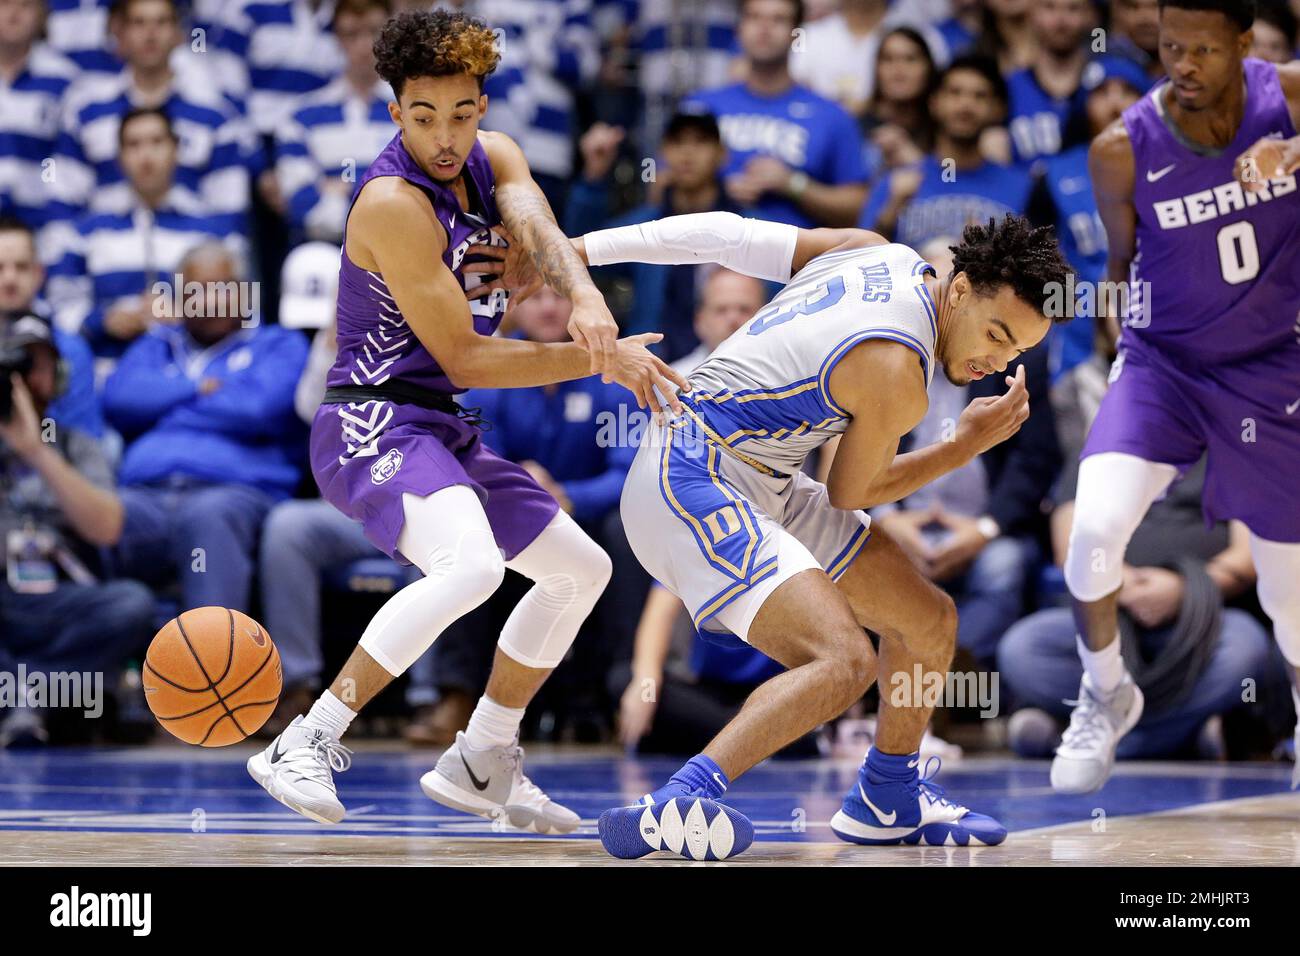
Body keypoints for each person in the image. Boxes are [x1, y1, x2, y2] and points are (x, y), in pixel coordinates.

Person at [246, 9, 686, 834]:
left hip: (438, 426)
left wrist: (587, 303)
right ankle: (307, 738)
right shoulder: (389, 203)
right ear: (394, 113)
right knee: (472, 568)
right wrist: (604, 357)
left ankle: (485, 754)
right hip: (368, 422)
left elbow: (543, 235)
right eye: (422, 117)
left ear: (482, 106)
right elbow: (468, 361)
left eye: (460, 114)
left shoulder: (498, 159)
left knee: (578, 569)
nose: (444, 137)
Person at [573, 208, 1074, 859]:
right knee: (843, 661)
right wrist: (965, 445)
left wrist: (583, 246)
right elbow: (854, 492)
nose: (996, 361)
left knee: (927, 621)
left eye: (1017, 352)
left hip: (761, 471)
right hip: (690, 477)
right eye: (995, 333)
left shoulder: (876, 251)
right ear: (957, 290)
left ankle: (887, 795)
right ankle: (675, 802)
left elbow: (729, 235)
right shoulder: (896, 365)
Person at [1053, 0, 1300, 794]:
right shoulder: (1120, 149)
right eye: (1168, 49)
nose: (1183, 65)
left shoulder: (1289, 102)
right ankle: (1105, 689)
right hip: (1165, 364)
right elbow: (1121, 263)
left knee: (1287, 589)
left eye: (1201, 49)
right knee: (1091, 529)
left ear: (1244, 43)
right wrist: (1124, 333)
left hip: (1272, 369)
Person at [1000, 322, 1277, 761]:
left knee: (1246, 649)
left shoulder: (1234, 442)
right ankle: (1180, 733)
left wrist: (1184, 588)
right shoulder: (1107, 437)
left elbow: (1248, 554)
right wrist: (1119, 583)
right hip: (1108, 613)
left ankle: (1082, 739)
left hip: (1196, 622)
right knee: (1023, 648)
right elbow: (1069, 536)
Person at [103, 242, 309, 612]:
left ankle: (215, 665)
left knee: (208, 516)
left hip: (231, 491)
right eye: (196, 291)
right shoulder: (156, 344)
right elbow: (119, 399)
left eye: (222, 287)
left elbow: (259, 409)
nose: (211, 301)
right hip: (143, 494)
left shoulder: (277, 343)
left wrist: (162, 407)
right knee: (98, 514)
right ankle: (104, 664)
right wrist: (195, 388)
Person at [0, 314, 154, 747]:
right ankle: (44, 692)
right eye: (17, 365)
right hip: (4, 601)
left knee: (132, 604)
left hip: (62, 602)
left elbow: (107, 528)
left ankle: (21, 689)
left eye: (39, 366)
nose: (28, 379)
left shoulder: (78, 444)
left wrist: (36, 452)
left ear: (58, 376)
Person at [47, 107, 246, 357]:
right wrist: (104, 321)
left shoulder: (215, 233)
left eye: (156, 142)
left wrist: (187, 315)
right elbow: (58, 309)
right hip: (107, 372)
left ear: (176, 150)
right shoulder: (83, 235)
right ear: (119, 157)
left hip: (196, 373)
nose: (146, 155)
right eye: (134, 145)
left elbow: (246, 310)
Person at [565, 109, 740, 362]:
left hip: (732, 369)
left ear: (721, 154)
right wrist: (594, 177)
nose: (688, 153)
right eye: (677, 142)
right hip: (651, 370)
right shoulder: (643, 224)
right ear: (663, 153)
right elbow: (578, 252)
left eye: (701, 141)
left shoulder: (746, 226)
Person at [683, 0, 870, 229]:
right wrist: (714, 189)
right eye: (754, 17)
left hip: (798, 258)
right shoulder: (698, 107)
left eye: (778, 19)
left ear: (797, 34)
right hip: (703, 250)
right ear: (739, 29)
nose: (765, 28)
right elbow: (658, 186)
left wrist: (794, 184)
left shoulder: (832, 116)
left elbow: (859, 210)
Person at [1025, 59, 1146, 380]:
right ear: (1083, 104)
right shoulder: (1054, 174)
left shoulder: (1169, 169)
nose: (1116, 102)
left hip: (1155, 325)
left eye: (1127, 91)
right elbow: (1036, 263)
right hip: (1078, 343)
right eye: (1102, 92)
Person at [860, 55, 1031, 250]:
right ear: (934, 103)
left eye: (980, 96)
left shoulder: (1022, 187)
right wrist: (890, 213)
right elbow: (861, 261)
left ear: (997, 110)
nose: (966, 105)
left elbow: (1042, 270)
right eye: (955, 93)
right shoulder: (895, 183)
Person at [274, 0, 397, 244]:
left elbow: (422, 193)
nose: (364, 45)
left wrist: (340, 188)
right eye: (351, 34)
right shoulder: (301, 117)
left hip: (400, 245)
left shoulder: (414, 112)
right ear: (336, 39)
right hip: (326, 248)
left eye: (373, 31)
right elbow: (300, 203)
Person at [0, 217, 104, 437]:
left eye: (21, 267)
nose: (9, 279)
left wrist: (39, 408)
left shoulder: (69, 350)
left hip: (46, 461)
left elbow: (82, 445)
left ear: (39, 274)